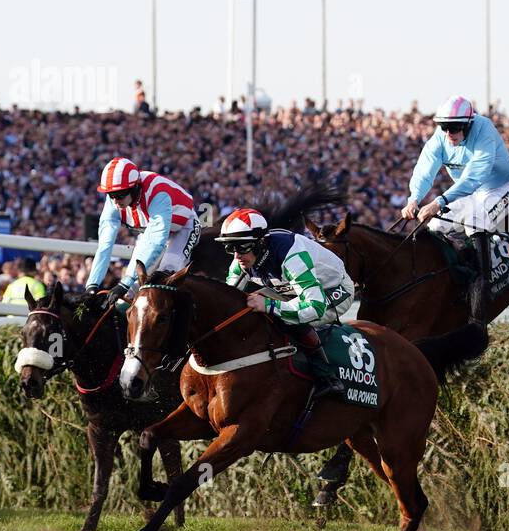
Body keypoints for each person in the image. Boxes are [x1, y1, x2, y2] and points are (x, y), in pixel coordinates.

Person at [217, 207, 354, 399]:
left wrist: (270, 306)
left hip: (333, 291)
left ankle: (327, 377)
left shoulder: (292, 255)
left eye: (241, 247)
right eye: (230, 247)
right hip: (290, 290)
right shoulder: (241, 260)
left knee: (284, 318)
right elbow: (227, 299)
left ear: (261, 243)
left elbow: (315, 307)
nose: (236, 255)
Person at [401, 95, 509, 321]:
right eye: (444, 127)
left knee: (476, 221)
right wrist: (413, 198)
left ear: (468, 124)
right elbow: (425, 170)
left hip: (498, 188)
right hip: (468, 193)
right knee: (435, 225)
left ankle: (483, 285)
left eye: (454, 128)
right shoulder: (441, 138)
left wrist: (438, 202)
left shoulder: (484, 130)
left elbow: (475, 177)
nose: (448, 134)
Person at [87, 157, 199, 310]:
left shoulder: (157, 192)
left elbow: (157, 241)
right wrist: (92, 284)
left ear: (135, 188)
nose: (115, 201)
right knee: (129, 292)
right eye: (110, 195)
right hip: (150, 232)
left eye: (120, 195)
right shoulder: (114, 198)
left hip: (183, 228)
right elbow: (105, 244)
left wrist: (124, 282)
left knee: (164, 279)